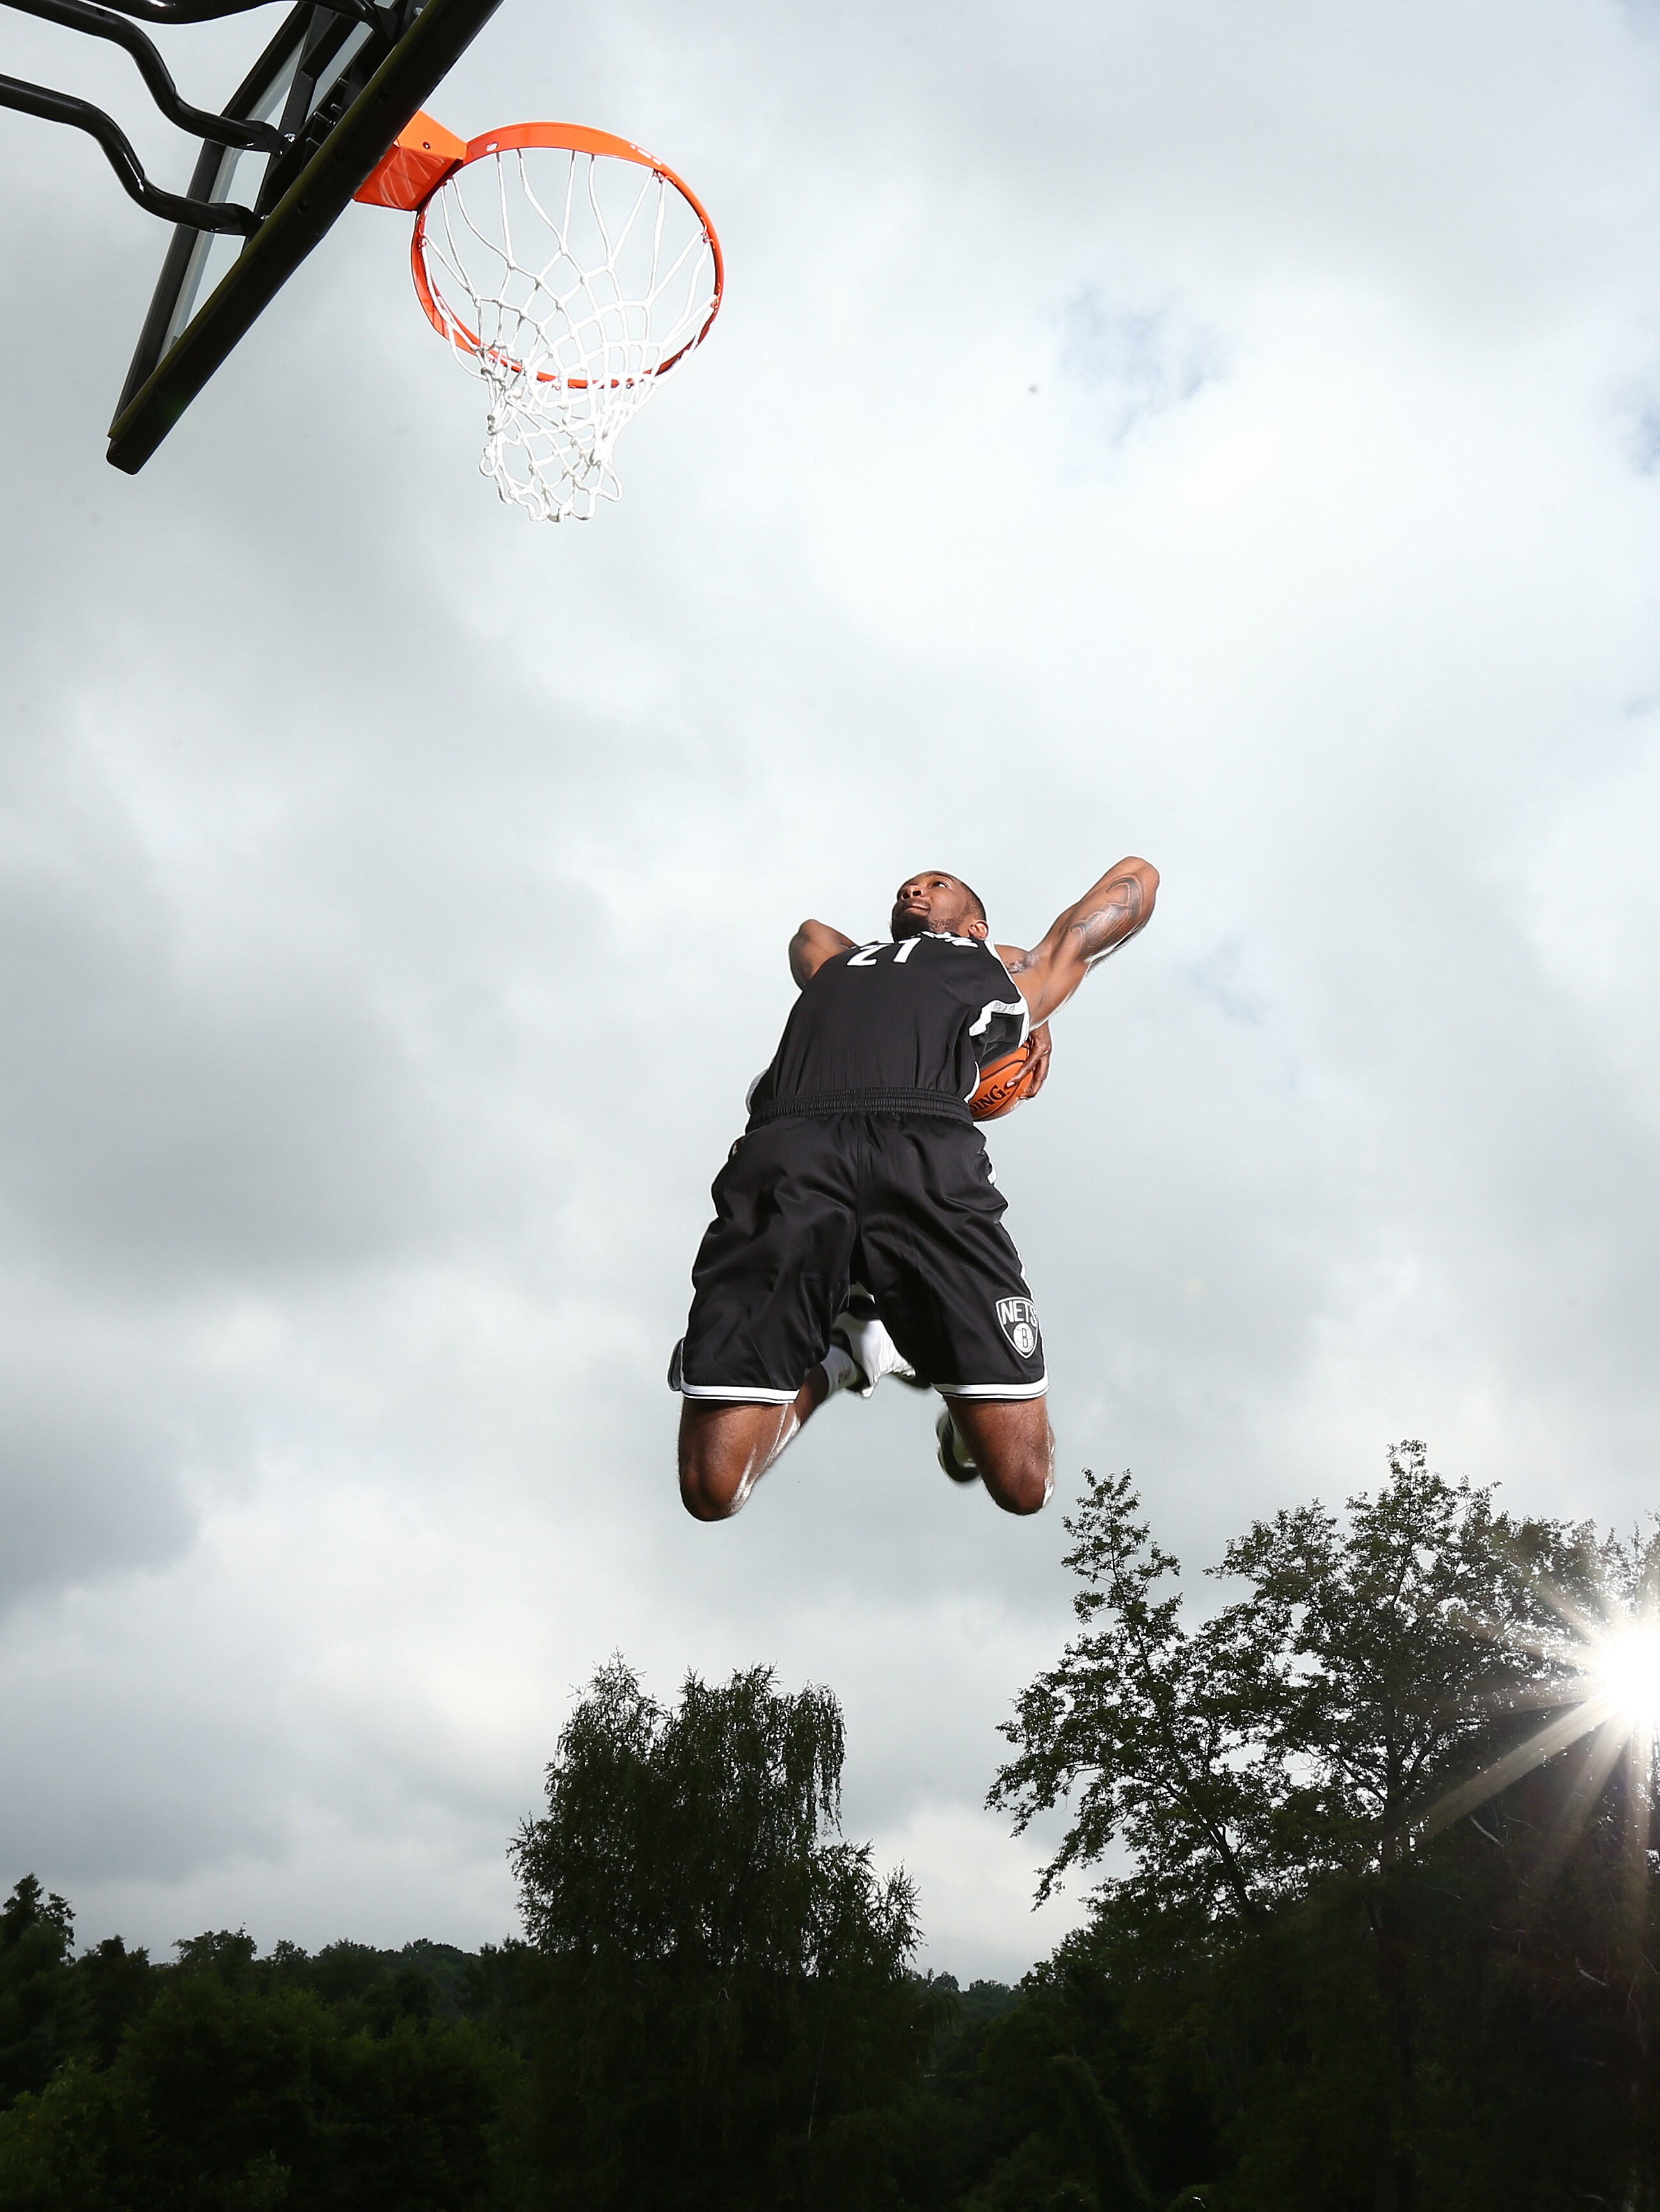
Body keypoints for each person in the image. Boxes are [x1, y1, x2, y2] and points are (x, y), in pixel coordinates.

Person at [670, 861, 1159, 1521]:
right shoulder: (842, 964)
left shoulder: (997, 975)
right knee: (711, 1490)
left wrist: (1023, 997)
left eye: (938, 885)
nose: (914, 890)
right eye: (909, 886)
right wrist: (1000, 976)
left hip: (923, 1148)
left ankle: (954, 1390)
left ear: (979, 924)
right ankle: (847, 1354)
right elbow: (809, 933)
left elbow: (1137, 878)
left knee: (1022, 1486)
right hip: (787, 1152)